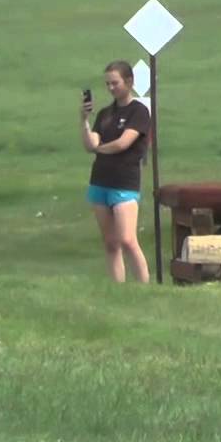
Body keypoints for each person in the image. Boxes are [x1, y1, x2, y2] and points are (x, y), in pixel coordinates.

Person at [80, 60, 152, 283]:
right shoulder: (105, 114)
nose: (111, 88)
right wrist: (84, 121)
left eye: (115, 83)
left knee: (128, 239)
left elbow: (123, 143)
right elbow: (90, 143)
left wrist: (100, 149)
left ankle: (144, 287)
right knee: (110, 243)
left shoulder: (139, 112)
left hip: (124, 183)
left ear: (129, 82)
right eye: (108, 84)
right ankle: (117, 287)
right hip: (100, 181)